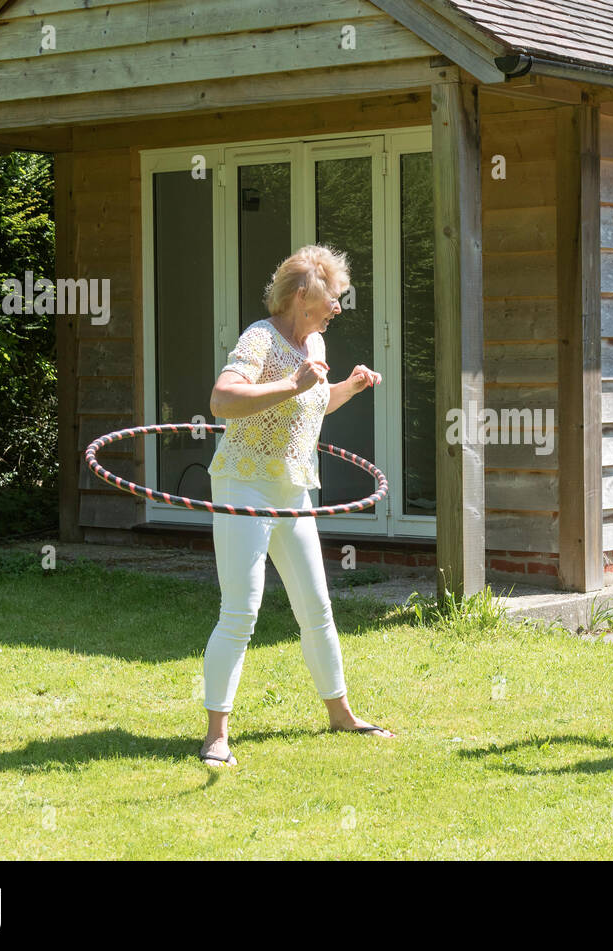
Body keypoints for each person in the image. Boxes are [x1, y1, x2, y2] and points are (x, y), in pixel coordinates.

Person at [198, 244, 391, 767]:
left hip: (294, 488)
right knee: (241, 610)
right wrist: (289, 382)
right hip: (244, 483)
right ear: (303, 294)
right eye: (334, 298)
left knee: (317, 606)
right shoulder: (259, 338)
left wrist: (347, 386)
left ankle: (341, 713)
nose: (338, 308)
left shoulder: (316, 341)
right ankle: (217, 733)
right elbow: (221, 401)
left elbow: (311, 402)